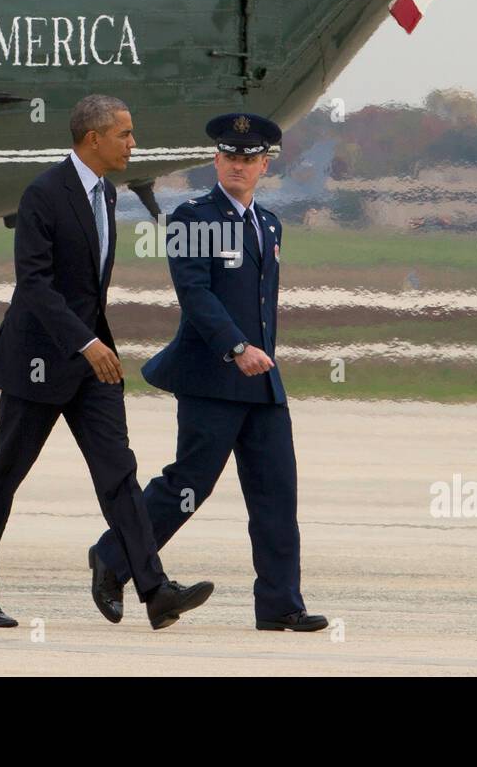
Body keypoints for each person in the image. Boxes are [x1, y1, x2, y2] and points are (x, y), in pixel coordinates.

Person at [0, 94, 214, 630]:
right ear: (94, 138)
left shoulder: (107, 196)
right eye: (125, 134)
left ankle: (155, 590)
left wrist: (95, 347)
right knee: (5, 475)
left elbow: (88, 288)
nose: (133, 144)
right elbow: (35, 285)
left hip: (93, 365)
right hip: (39, 361)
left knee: (119, 474)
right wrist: (83, 343)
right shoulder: (43, 194)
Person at [88, 112, 327, 632]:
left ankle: (281, 605)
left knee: (276, 492)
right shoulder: (191, 219)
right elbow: (194, 295)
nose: (238, 165)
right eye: (229, 156)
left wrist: (258, 357)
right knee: (188, 485)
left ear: (264, 164)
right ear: (216, 160)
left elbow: (262, 305)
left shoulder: (269, 224)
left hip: (262, 383)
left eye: (248, 158)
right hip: (212, 378)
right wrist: (236, 347)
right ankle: (112, 554)